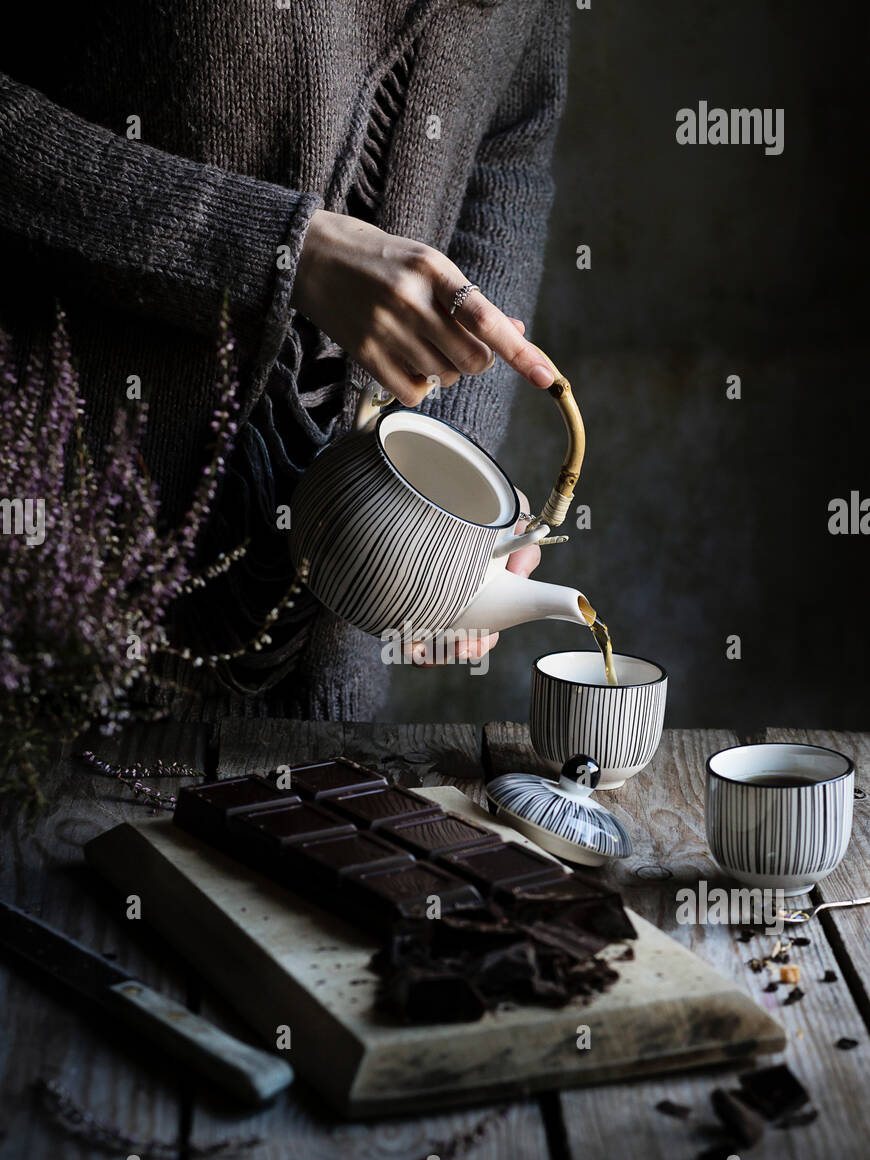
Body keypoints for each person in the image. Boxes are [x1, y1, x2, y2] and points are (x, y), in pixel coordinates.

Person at [0, 0, 571, 718]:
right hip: (51, 591)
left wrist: (452, 471)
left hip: (325, 661)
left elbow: (509, 150)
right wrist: (279, 252)